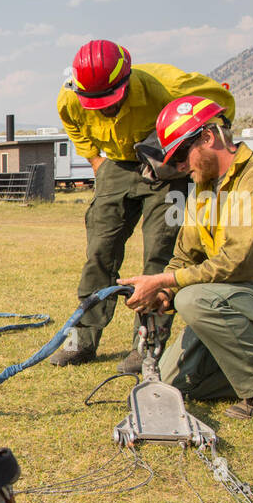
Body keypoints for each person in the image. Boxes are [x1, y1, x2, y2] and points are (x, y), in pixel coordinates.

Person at [119, 95, 253, 419]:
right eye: (174, 161)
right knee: (176, 382)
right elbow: (184, 258)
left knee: (194, 299)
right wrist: (163, 291)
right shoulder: (203, 190)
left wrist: (167, 282)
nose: (180, 167)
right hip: (234, 296)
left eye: (181, 156)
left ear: (208, 137)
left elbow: (239, 262)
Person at [52, 40, 235, 371]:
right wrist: (99, 166)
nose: (104, 110)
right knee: (99, 253)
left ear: (127, 79)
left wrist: (188, 154)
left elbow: (221, 106)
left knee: (160, 256)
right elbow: (76, 130)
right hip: (116, 166)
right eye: (94, 104)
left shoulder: (170, 85)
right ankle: (82, 338)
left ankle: (147, 343)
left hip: (166, 172)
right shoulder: (68, 99)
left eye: (110, 101)